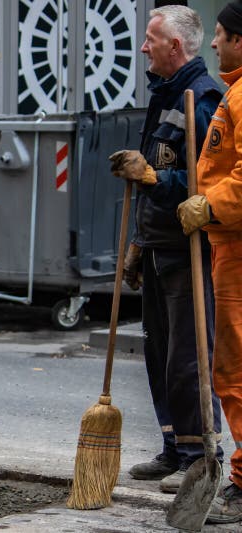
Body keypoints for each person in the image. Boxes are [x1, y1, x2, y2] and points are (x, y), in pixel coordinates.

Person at [109, 5, 224, 494]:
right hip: (156, 244)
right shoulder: (164, 94)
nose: (143, 47)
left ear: (174, 47)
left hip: (186, 249)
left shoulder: (204, 98)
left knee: (187, 358)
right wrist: (137, 242)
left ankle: (199, 454)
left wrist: (154, 177)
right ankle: (175, 446)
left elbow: (204, 184)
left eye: (150, 39)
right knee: (159, 355)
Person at [178, 1, 242, 523]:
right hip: (229, 247)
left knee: (235, 372)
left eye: (220, 34)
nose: (215, 43)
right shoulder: (236, 94)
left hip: (239, 253)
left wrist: (209, 203)